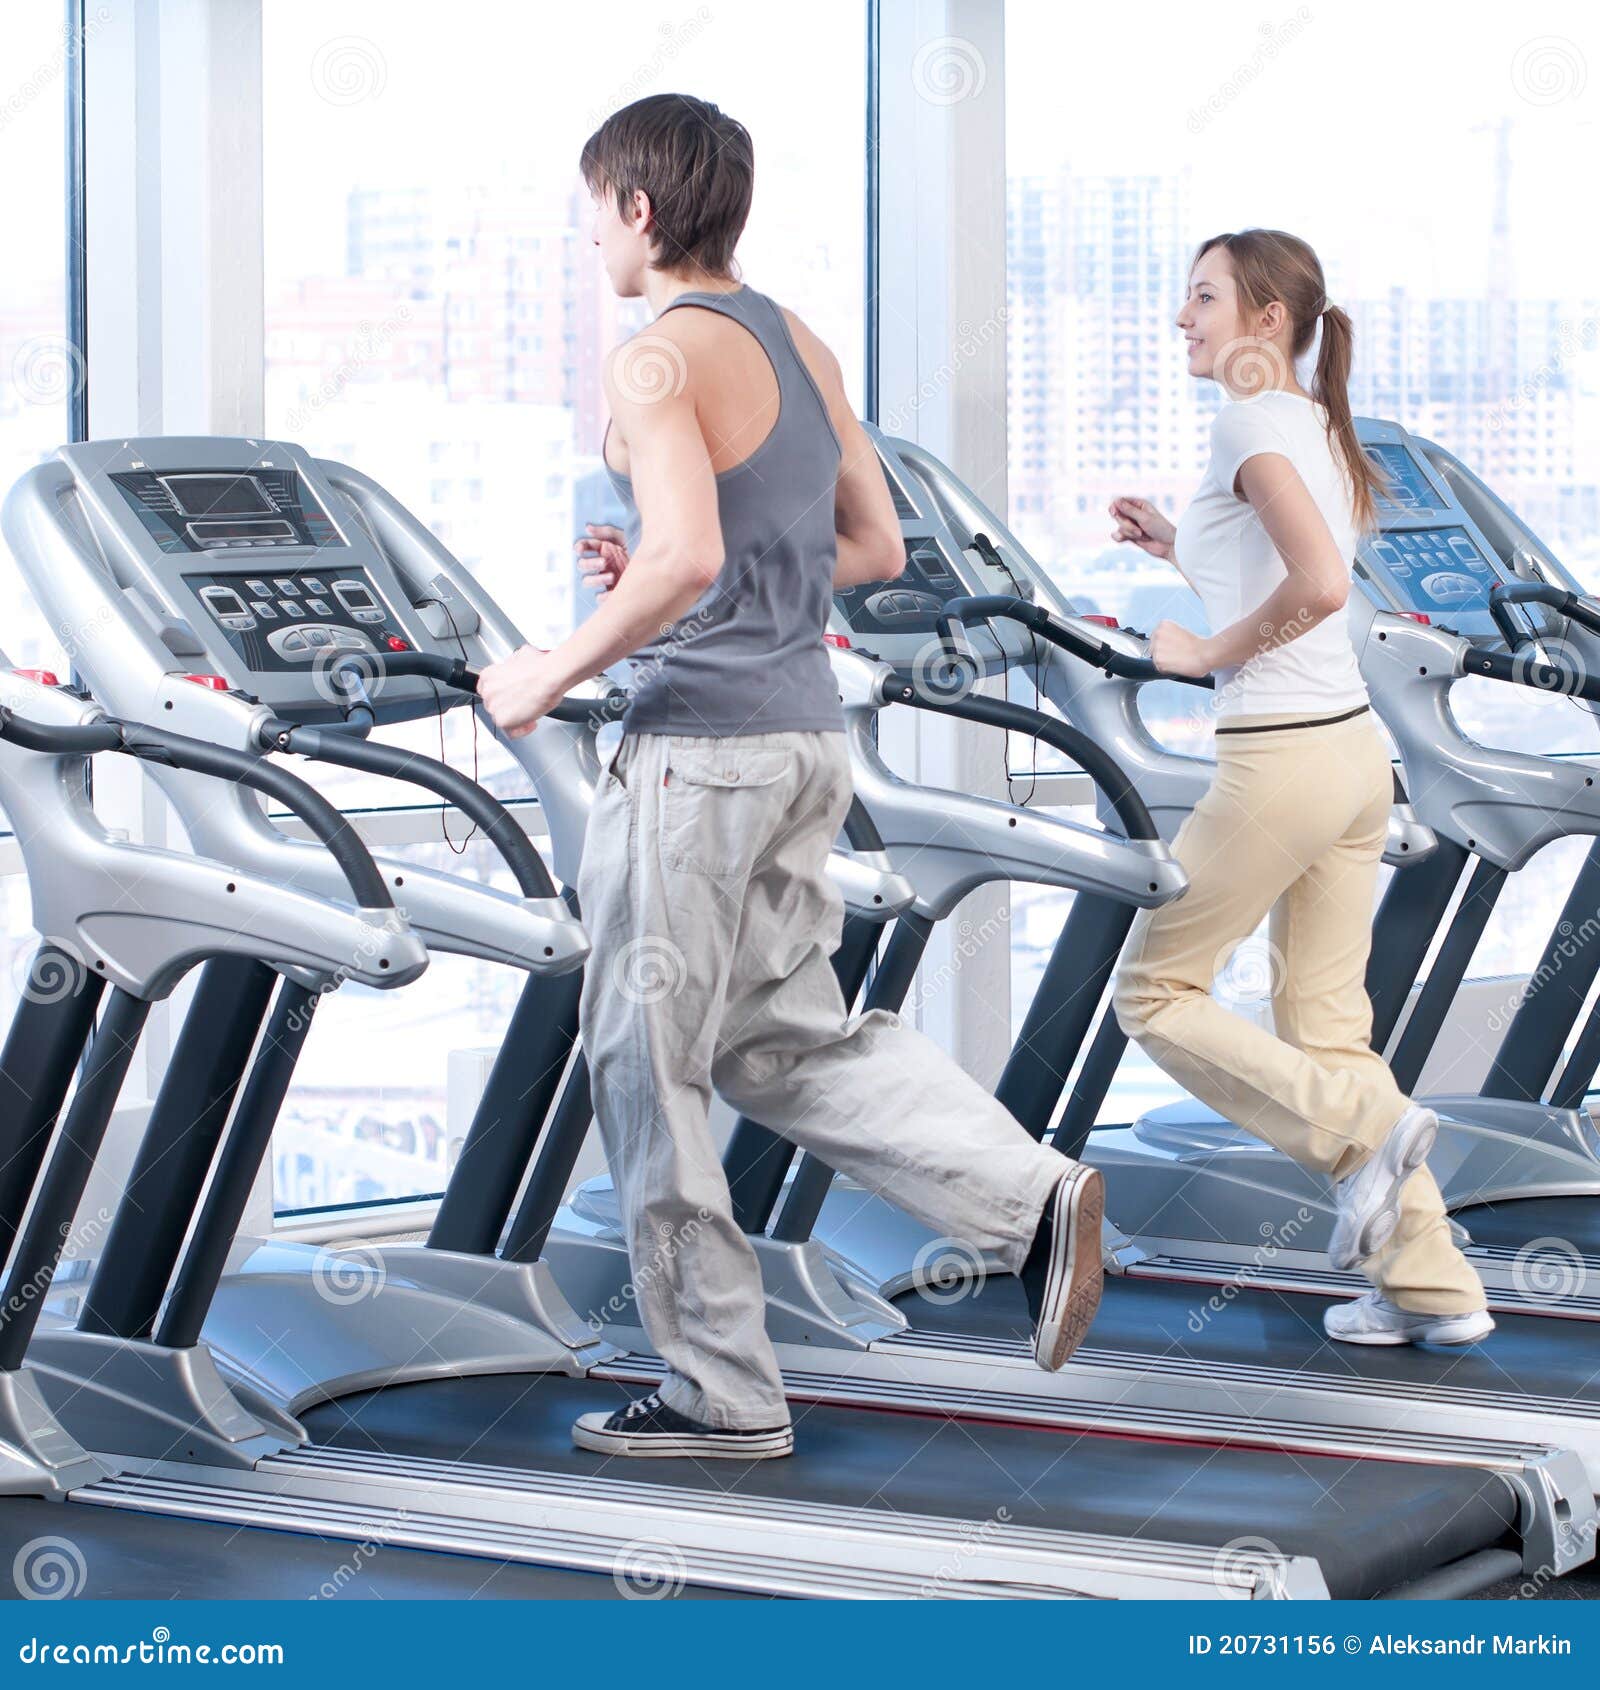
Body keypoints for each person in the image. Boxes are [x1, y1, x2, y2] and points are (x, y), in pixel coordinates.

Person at [477, 93, 1102, 1459]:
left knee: (648, 1067)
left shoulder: (654, 359)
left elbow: (691, 558)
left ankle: (719, 1390)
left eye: (596, 212)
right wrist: (666, 572)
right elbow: (868, 551)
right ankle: (1032, 1197)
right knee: (784, 1038)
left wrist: (550, 669)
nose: (591, 240)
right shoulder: (798, 339)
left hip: (698, 757)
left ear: (638, 208)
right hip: (808, 739)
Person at [1109, 229, 1493, 1348]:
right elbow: (1287, 570)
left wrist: (1194, 654)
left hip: (1277, 759)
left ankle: (1364, 1123)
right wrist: (1183, 545)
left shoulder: (1244, 421)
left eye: (1203, 298)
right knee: (1325, 1019)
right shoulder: (1314, 425)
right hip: (1350, 758)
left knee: (1156, 992)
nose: (1182, 319)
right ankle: (1433, 1287)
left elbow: (1318, 586)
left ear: (1267, 318)